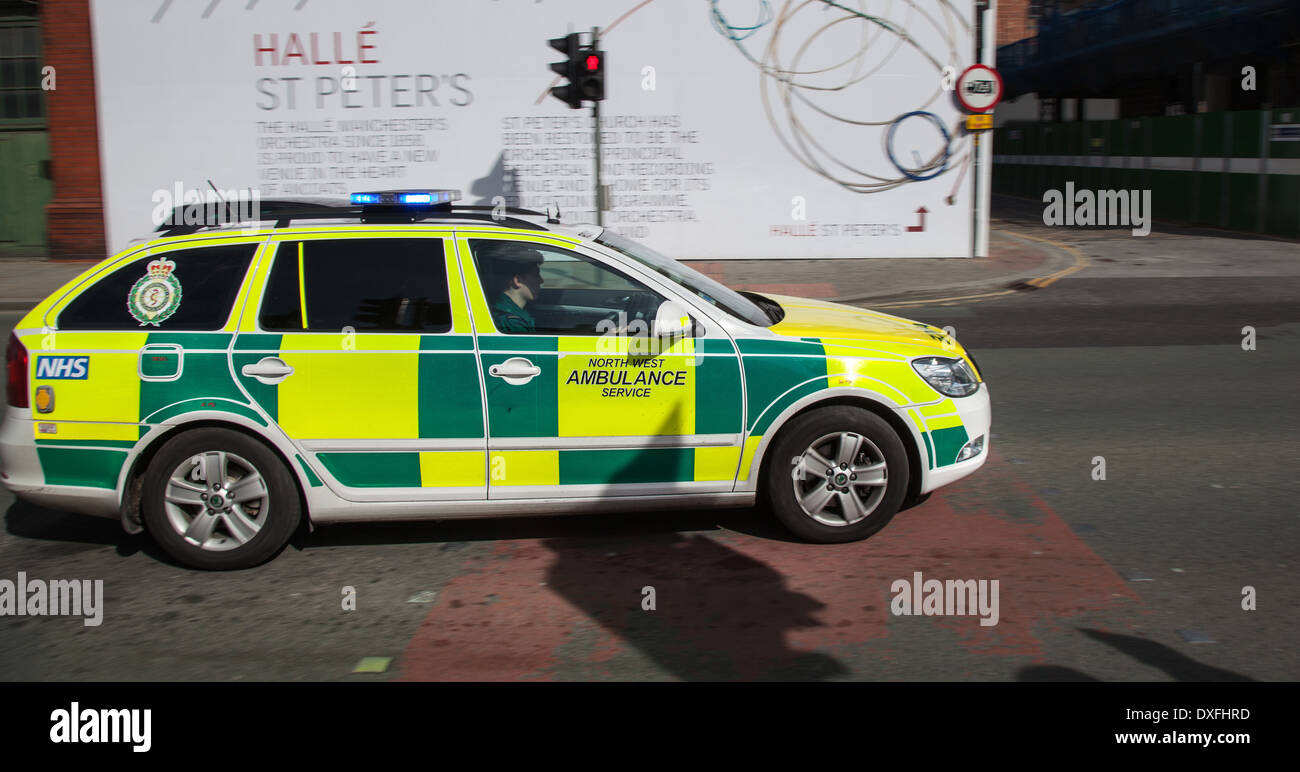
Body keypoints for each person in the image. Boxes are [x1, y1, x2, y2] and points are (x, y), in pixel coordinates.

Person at [479, 243, 545, 333]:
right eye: (535, 275)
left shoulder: (511, 313)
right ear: (517, 281)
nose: (541, 280)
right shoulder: (513, 324)